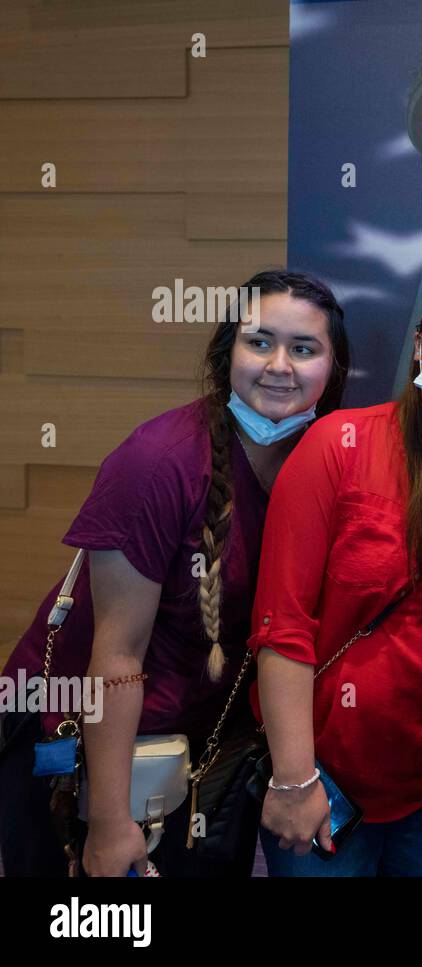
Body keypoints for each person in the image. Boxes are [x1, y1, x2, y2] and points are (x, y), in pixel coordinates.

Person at [0, 270, 350, 876]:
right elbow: (118, 656)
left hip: (201, 749)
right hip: (82, 747)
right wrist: (109, 823)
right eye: (259, 341)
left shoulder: (323, 461)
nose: (279, 366)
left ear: (333, 368)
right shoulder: (157, 463)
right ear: (226, 354)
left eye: (304, 348)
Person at [251, 277, 422, 876]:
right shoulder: (339, 444)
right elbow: (282, 623)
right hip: (326, 778)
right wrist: (295, 778)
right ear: (421, 345)